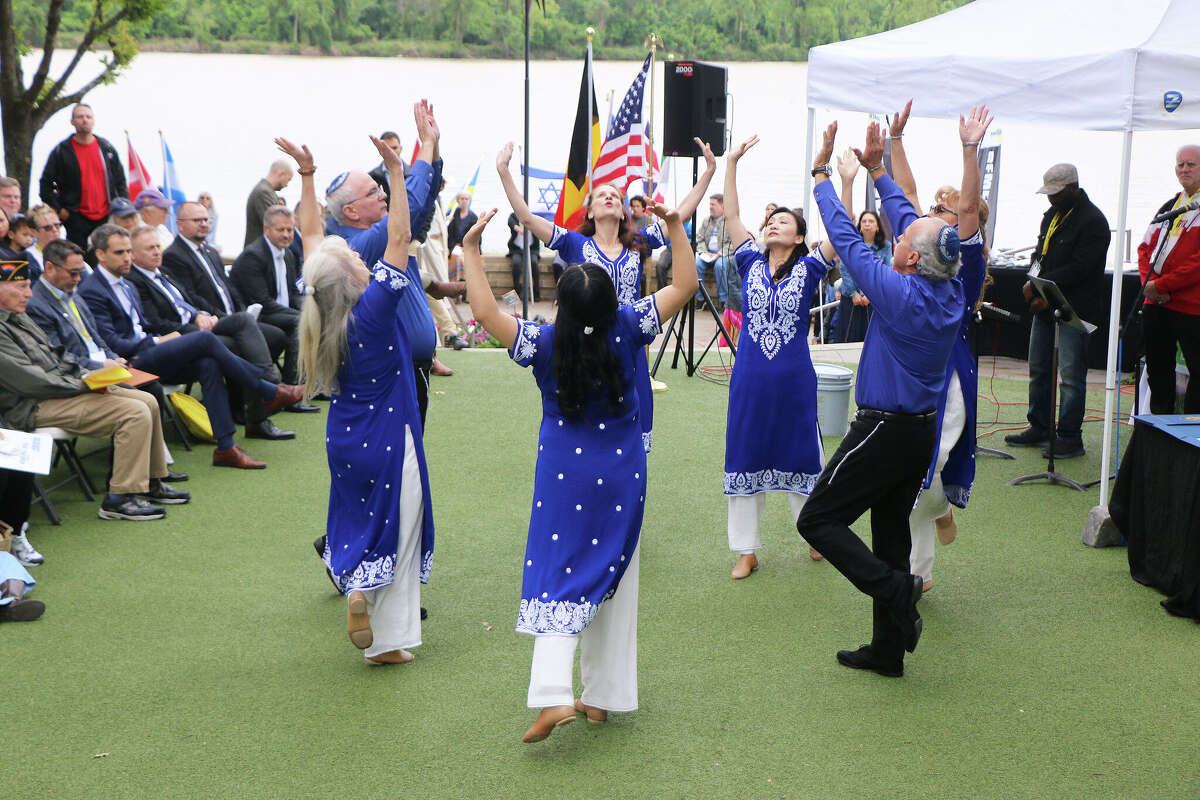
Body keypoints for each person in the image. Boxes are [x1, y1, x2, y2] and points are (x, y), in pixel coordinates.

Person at [460, 196, 696, 743]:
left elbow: (486, 314)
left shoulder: (543, 343)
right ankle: (603, 697)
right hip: (622, 473)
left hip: (563, 476)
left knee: (556, 570)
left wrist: (472, 252)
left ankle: (551, 694)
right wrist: (677, 228)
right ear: (612, 302)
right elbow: (683, 285)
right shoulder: (630, 327)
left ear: (560, 307)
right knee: (616, 576)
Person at [797, 117, 965, 678]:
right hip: (917, 433)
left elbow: (846, 239)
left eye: (903, 243)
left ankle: (899, 589)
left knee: (817, 520)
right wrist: (876, 169)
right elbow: (910, 223)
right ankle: (888, 653)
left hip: (884, 429)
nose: (897, 237)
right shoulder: (951, 286)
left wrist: (822, 174)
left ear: (912, 259)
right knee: (889, 532)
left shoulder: (897, 292)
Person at [292, 131, 432, 666]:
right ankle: (383, 632)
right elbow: (399, 236)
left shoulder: (322, 309)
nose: (356, 250)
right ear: (353, 276)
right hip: (389, 435)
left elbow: (311, 239)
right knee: (400, 523)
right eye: (352, 253)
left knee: (356, 516)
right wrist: (396, 172)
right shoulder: (371, 310)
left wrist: (308, 176)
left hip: (343, 436)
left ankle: (357, 590)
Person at [496, 136, 718, 452]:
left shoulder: (638, 242)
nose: (610, 197)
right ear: (590, 213)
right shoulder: (573, 243)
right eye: (602, 195)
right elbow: (529, 219)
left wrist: (708, 172)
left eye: (615, 195)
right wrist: (505, 173)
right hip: (584, 344)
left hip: (629, 338)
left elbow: (678, 216)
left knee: (635, 423)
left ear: (625, 211)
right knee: (585, 419)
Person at [868, 101, 993, 593]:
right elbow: (908, 193)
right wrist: (896, 142)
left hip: (949, 374)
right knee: (911, 478)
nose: (934, 213)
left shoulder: (963, 252)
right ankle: (922, 556)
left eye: (944, 210)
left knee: (926, 469)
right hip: (910, 368)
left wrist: (969, 148)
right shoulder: (924, 238)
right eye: (936, 209)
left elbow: (966, 205)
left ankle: (917, 571)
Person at [78, 225, 302, 467]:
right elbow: (112, 342)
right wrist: (158, 339)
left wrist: (174, 330)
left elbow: (142, 324)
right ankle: (268, 390)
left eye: (129, 252)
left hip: (151, 351)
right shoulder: (94, 290)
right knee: (206, 340)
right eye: (120, 252)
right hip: (129, 362)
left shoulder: (126, 284)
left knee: (209, 362)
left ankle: (226, 448)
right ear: (100, 255)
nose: (127, 258)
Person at [720, 134, 838, 580]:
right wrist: (731, 163)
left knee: (803, 454)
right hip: (750, 379)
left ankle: (816, 533)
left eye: (784, 222)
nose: (773, 224)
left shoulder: (810, 268)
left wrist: (841, 183)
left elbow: (840, 235)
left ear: (800, 236)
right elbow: (732, 215)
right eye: (771, 220)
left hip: (793, 380)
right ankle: (746, 550)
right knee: (745, 455)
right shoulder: (749, 261)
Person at [0, 259, 187, 520]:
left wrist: (91, 377)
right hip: (30, 406)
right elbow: (30, 381)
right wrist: (84, 385)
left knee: (147, 400)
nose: (29, 294)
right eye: (20, 287)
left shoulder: (18, 317)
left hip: (58, 392)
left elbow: (57, 355)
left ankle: (150, 482)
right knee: (132, 412)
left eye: (28, 286)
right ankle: (120, 498)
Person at [321, 100, 460, 425]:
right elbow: (407, 206)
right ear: (351, 211)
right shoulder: (355, 245)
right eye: (373, 193)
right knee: (400, 461)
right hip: (394, 373)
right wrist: (423, 146)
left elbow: (422, 205)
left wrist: (434, 146)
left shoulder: (373, 233)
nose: (383, 194)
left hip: (411, 368)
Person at [1004, 163, 1109, 458]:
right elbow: (1040, 254)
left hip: (1074, 307)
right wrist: (1032, 281)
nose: (1050, 199)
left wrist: (1045, 288)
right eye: (1048, 194)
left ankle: (1070, 437)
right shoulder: (1052, 215)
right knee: (1039, 366)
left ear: (1074, 188)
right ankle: (1039, 426)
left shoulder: (1093, 221)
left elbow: (1081, 268)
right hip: (1046, 303)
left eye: (1056, 194)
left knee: (1071, 375)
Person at [1137, 144, 1200, 414]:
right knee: (1157, 370)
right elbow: (1144, 248)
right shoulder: (1169, 205)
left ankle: (1192, 438)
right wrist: (1147, 286)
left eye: (1191, 164)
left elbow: (1197, 263)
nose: (1184, 169)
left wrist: (1161, 285)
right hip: (1157, 304)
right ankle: (1159, 432)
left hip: (1190, 305)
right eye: (1180, 164)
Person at [229, 205, 306, 384]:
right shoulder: (253, 256)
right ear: (266, 229)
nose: (287, 235)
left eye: (290, 229)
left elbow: (294, 293)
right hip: (256, 315)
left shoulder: (288, 254)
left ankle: (313, 381)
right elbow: (262, 302)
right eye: (281, 230)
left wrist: (311, 309)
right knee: (300, 321)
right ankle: (292, 385)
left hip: (279, 312)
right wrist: (301, 315)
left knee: (314, 317)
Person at [37, 104, 128, 249]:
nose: (84, 120)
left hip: (106, 216)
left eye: (88, 116)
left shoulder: (106, 148)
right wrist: (59, 210)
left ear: (93, 121)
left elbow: (120, 181)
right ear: (72, 121)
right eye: (80, 117)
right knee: (79, 259)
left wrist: (121, 208)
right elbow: (45, 184)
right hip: (76, 218)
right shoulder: (61, 151)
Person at [695, 193, 733, 310]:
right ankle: (700, 299)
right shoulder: (707, 220)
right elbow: (699, 238)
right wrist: (703, 252)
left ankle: (723, 301)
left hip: (723, 254)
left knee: (720, 266)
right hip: (707, 254)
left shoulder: (730, 221)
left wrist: (719, 254)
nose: (710, 207)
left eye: (713, 204)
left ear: (722, 206)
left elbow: (733, 243)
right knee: (696, 265)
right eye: (710, 204)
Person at [245, 161, 292, 248]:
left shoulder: (267, 191)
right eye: (288, 180)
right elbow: (275, 223)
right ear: (281, 174)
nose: (287, 185)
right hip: (259, 254)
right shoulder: (263, 192)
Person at [506, 211, 542, 302]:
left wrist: (530, 227)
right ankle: (517, 292)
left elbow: (539, 226)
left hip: (531, 248)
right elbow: (511, 222)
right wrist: (517, 228)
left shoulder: (532, 216)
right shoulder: (513, 215)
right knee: (516, 263)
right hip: (517, 248)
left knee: (534, 263)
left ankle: (536, 292)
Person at [367, 130, 411, 202]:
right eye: (387, 148)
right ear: (380, 150)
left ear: (401, 148)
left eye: (394, 148)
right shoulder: (370, 178)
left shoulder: (415, 174)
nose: (391, 152)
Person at [446, 192, 477, 286]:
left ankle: (463, 287)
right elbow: (449, 234)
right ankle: (454, 287)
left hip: (467, 247)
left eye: (466, 199)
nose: (464, 201)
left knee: (461, 260)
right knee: (453, 258)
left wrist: (467, 247)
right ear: (458, 201)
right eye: (462, 199)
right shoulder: (454, 215)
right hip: (454, 246)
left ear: (469, 201)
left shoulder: (473, 217)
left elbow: (476, 236)